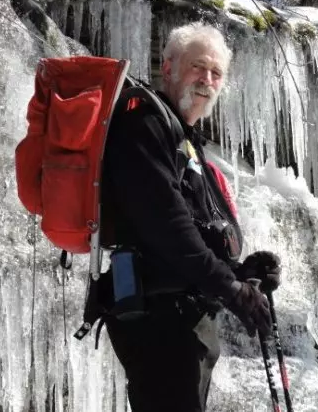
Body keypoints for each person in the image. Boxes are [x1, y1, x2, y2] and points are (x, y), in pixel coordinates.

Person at [102, 22, 281, 412]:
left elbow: (198, 235)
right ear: (168, 68)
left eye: (217, 73)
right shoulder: (144, 124)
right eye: (198, 66)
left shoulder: (186, 141)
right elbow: (166, 226)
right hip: (157, 321)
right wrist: (231, 290)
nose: (207, 79)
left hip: (186, 319)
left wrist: (241, 272)